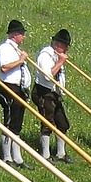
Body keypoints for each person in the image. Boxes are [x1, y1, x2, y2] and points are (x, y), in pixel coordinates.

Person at [0, 19, 32, 166]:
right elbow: (5, 68)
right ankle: (7, 156)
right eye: (22, 34)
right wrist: (21, 60)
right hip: (9, 88)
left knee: (17, 124)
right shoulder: (5, 48)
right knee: (9, 122)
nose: (24, 37)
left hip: (20, 88)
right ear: (15, 35)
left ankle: (18, 158)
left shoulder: (16, 49)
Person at [34, 27, 72, 161]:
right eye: (65, 46)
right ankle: (45, 154)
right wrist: (61, 62)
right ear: (57, 44)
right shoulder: (45, 55)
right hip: (43, 92)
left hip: (54, 92)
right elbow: (47, 76)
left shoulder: (56, 55)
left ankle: (61, 154)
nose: (66, 50)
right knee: (47, 122)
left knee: (62, 123)